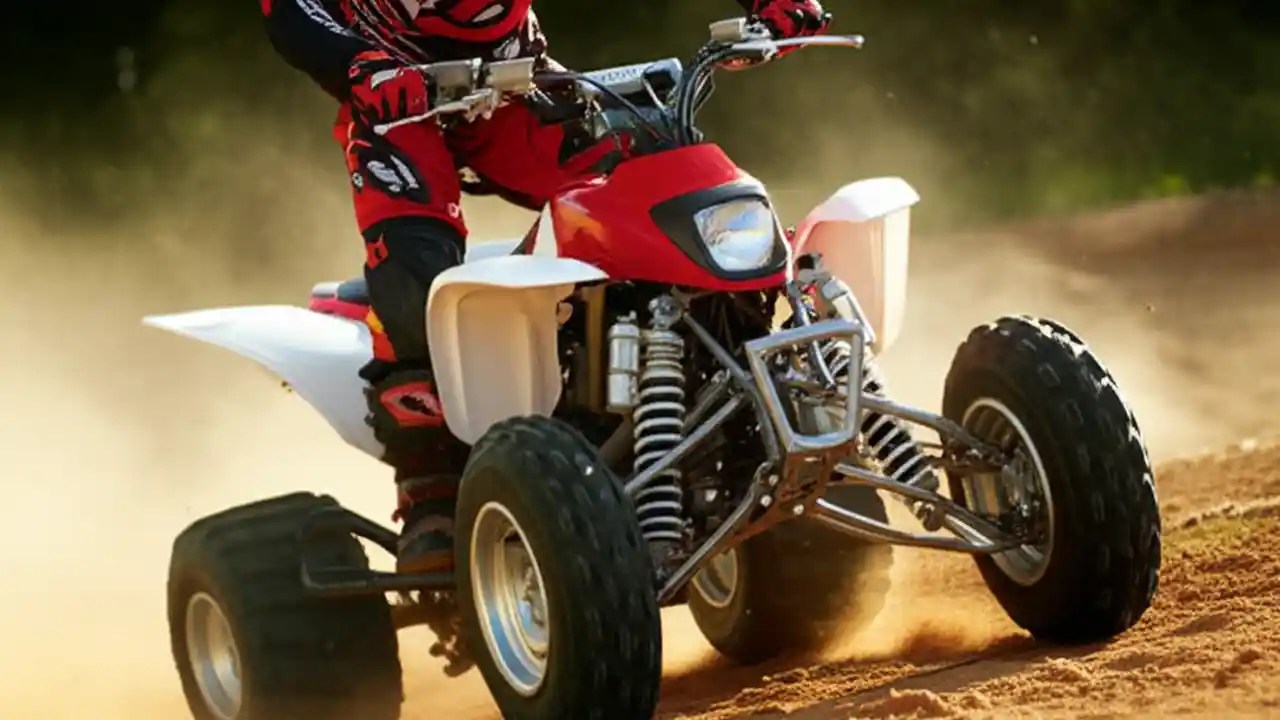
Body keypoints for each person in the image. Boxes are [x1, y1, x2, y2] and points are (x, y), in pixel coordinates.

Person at [259, 0, 832, 575]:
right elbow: (291, 12)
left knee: (664, 183)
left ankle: (719, 396)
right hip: (398, 104)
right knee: (414, 271)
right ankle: (429, 490)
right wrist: (358, 64)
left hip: (520, 88)